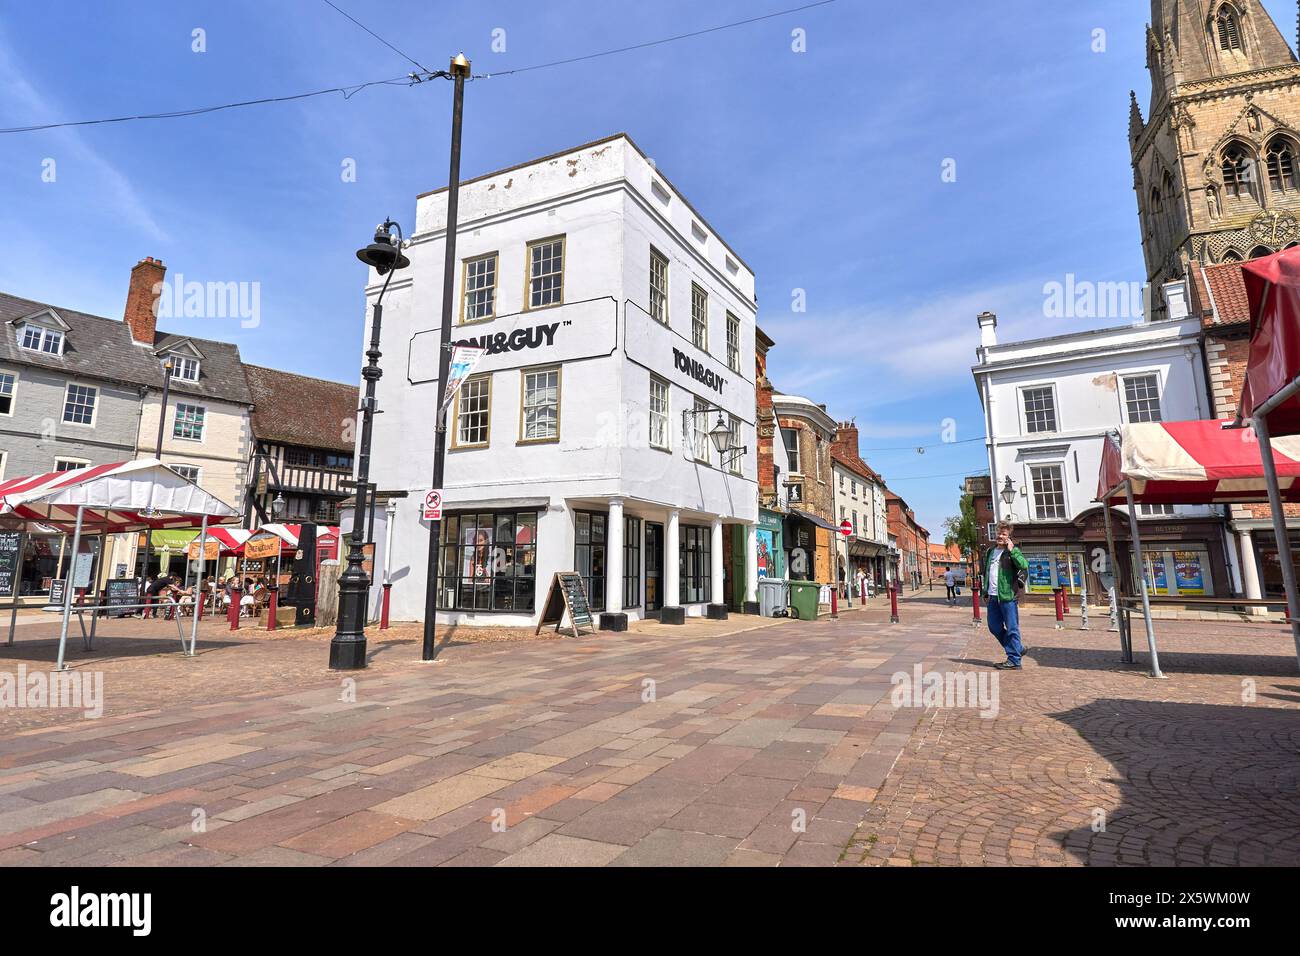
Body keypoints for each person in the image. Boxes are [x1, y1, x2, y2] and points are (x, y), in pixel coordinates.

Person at [983, 522, 1029, 669]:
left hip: (1008, 595)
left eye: (1004, 534)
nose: (1000, 536)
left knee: (1012, 628)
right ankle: (1018, 649)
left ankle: (1015, 660)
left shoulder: (1012, 551)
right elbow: (987, 573)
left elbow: (1024, 565)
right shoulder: (991, 551)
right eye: (999, 533)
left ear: (1009, 537)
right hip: (993, 596)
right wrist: (985, 591)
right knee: (994, 626)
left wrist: (1012, 551)